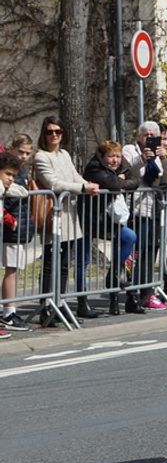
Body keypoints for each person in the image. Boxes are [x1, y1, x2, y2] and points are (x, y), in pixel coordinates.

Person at [33, 116, 101, 324]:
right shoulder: (41, 157)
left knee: (63, 265)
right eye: (50, 131)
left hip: (70, 215)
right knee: (49, 264)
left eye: (58, 131)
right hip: (54, 215)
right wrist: (81, 188)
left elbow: (73, 176)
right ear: (44, 134)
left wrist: (88, 185)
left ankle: (59, 303)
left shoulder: (64, 154)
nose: (54, 135)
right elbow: (53, 183)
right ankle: (46, 306)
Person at [121, 121, 167, 311]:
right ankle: (131, 293)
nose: (150, 139)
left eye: (154, 136)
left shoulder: (159, 154)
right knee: (134, 253)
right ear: (140, 136)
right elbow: (127, 171)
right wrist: (143, 159)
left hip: (152, 208)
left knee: (149, 252)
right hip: (134, 208)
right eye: (147, 136)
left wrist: (166, 158)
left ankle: (146, 292)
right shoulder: (130, 150)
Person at [82, 140, 141, 316]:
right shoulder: (94, 167)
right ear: (102, 157)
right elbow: (113, 184)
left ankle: (113, 273)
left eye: (117, 156)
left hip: (114, 220)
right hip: (93, 219)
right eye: (110, 156)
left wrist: (119, 181)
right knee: (82, 262)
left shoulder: (122, 167)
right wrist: (118, 181)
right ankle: (82, 302)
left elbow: (135, 181)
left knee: (129, 237)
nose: (115, 160)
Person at [1, 135, 35, 332]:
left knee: (14, 269)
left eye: (27, 153)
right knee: (11, 270)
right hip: (11, 226)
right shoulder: (6, 167)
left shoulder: (21, 170)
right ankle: (8, 313)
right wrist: (9, 220)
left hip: (20, 224)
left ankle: (9, 310)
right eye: (20, 151)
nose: (23, 156)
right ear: (12, 148)